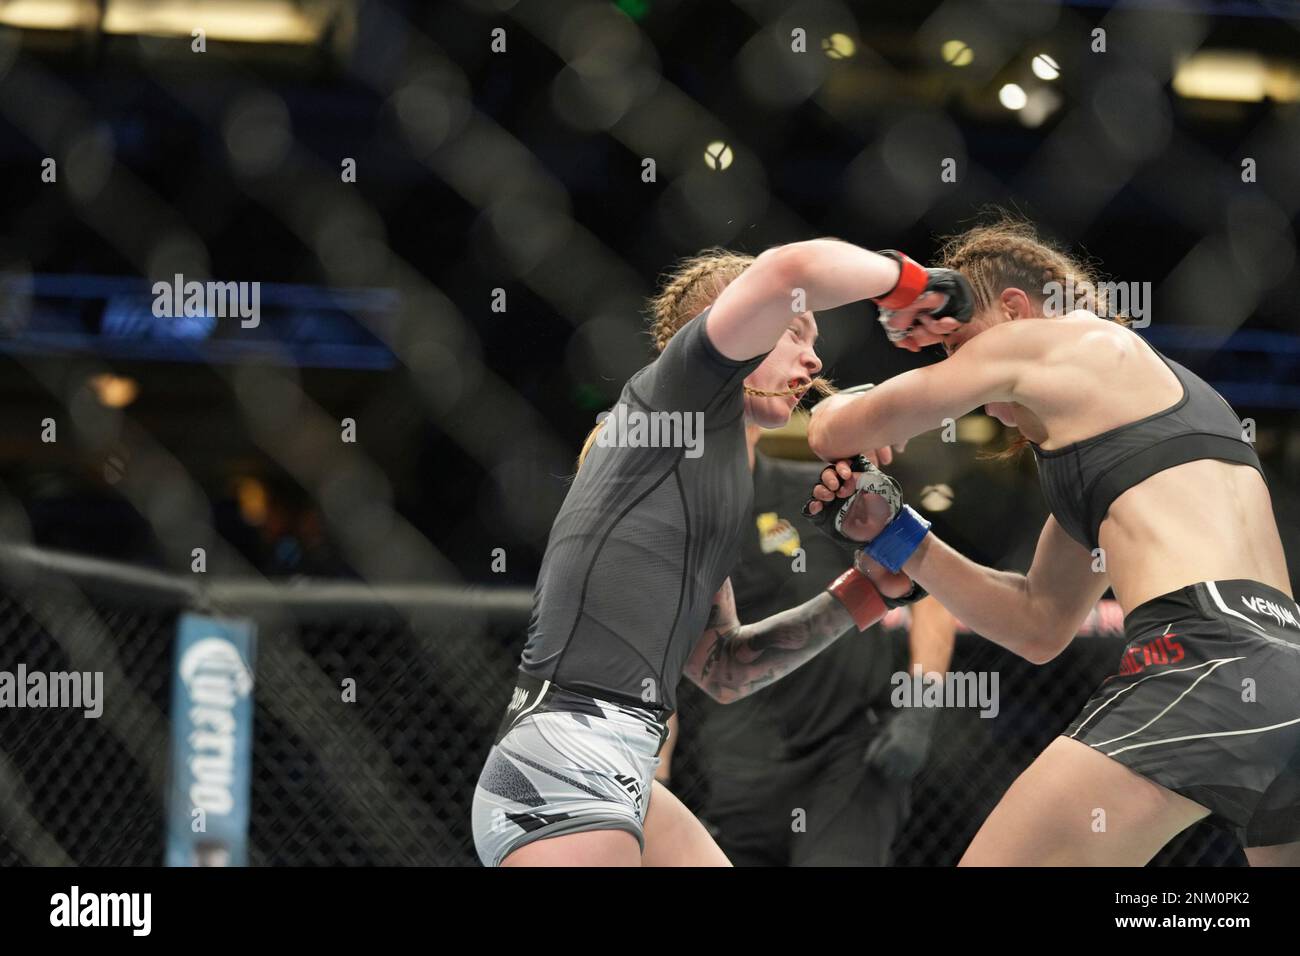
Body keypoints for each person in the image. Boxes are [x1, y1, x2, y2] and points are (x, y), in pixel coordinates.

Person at [805, 217, 1300, 865]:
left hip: (1202, 661)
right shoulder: (1118, 425)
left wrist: (834, 409)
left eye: (960, 347)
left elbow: (831, 433)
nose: (967, 381)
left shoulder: (1060, 340)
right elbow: (1038, 624)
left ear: (1014, 309)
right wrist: (900, 536)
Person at [471, 241, 953, 866]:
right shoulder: (679, 397)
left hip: (624, 769)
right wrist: (913, 285)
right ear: (738, 327)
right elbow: (788, 269)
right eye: (795, 332)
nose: (814, 355)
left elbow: (725, 670)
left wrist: (869, 590)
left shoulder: (718, 485)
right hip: (564, 761)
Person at [667, 420, 956, 866]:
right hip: (739, 762)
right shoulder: (679, 530)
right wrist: (658, 779)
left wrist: (921, 707)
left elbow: (930, 585)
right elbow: (660, 661)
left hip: (847, 752)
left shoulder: (821, 496)